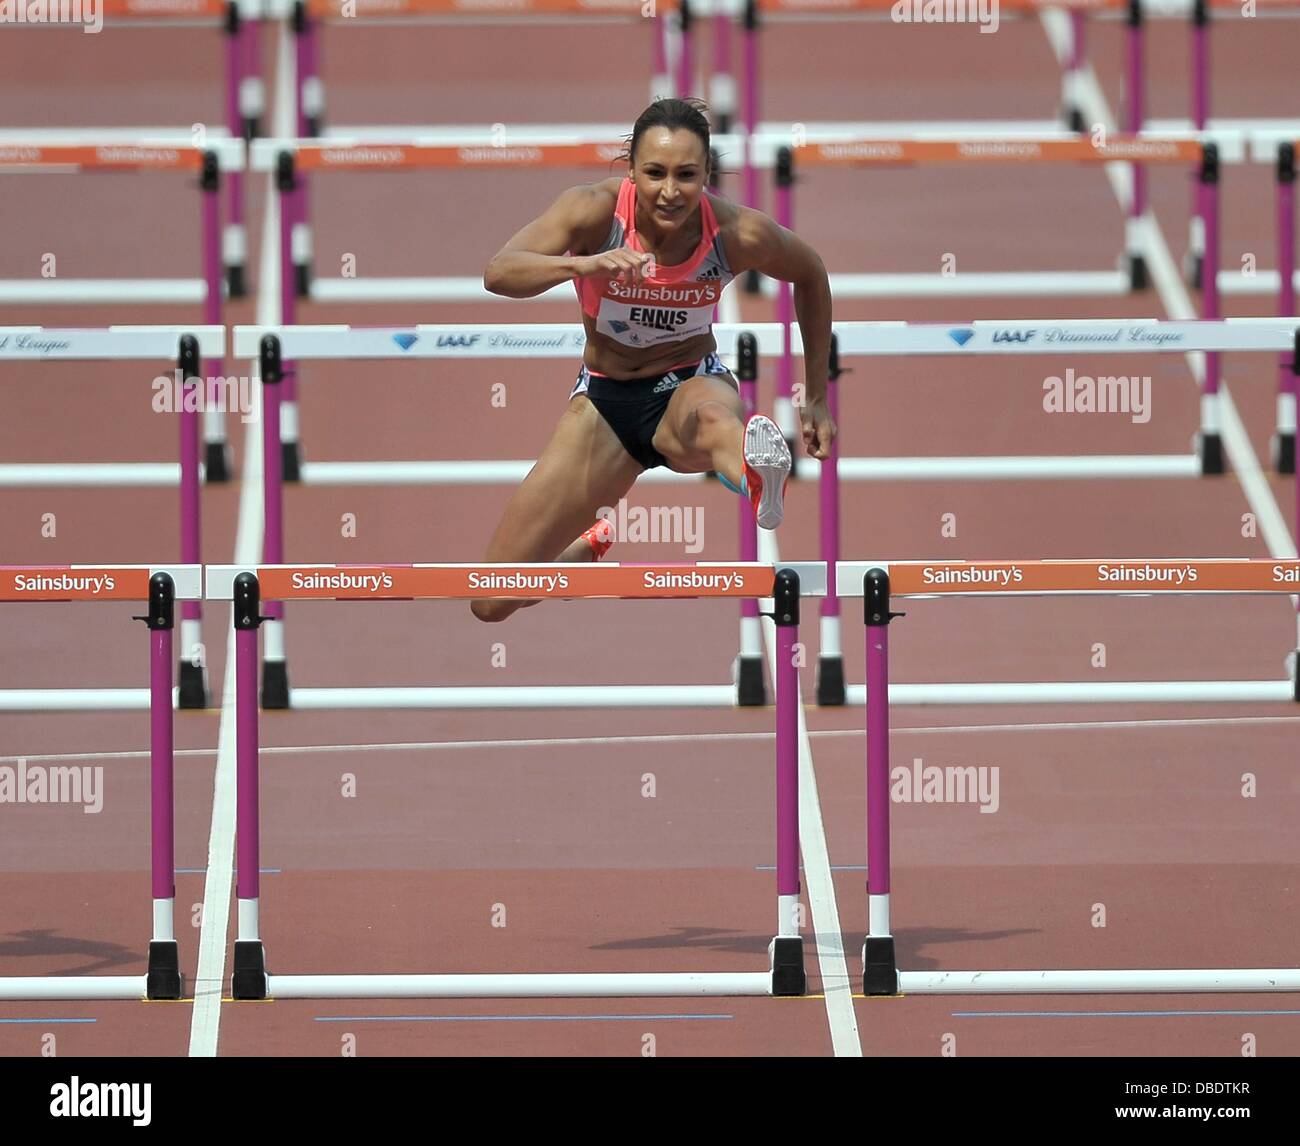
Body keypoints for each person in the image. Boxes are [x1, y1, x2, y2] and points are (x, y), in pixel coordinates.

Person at [475, 97, 835, 622]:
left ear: (707, 172)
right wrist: (588, 263)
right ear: (631, 170)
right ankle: (584, 551)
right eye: (655, 173)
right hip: (605, 405)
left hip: (688, 383)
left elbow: (810, 272)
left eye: (687, 175)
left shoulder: (734, 232)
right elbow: (500, 271)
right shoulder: (594, 211)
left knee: (714, 416)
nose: (670, 192)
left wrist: (817, 399)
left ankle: (757, 472)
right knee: (491, 599)